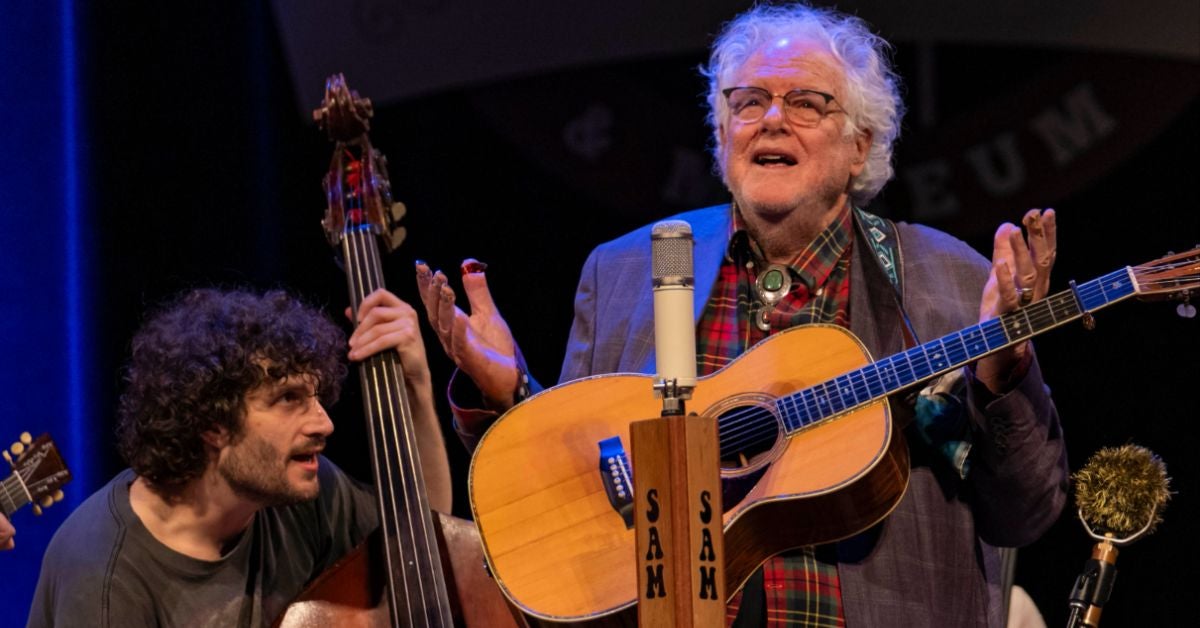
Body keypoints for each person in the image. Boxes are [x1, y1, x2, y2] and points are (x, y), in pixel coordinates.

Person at [416, 3, 1067, 627]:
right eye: (748, 101)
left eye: (806, 102)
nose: (771, 119)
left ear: (859, 149)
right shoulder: (624, 272)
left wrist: (1006, 371)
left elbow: (1025, 514)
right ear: (724, 134)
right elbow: (576, 506)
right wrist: (512, 397)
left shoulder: (948, 280)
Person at [26, 286, 449, 627]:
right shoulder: (106, 577)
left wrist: (416, 385)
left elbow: (420, 546)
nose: (324, 423)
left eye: (316, 396)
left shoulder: (295, 494)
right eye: (288, 399)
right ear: (213, 424)